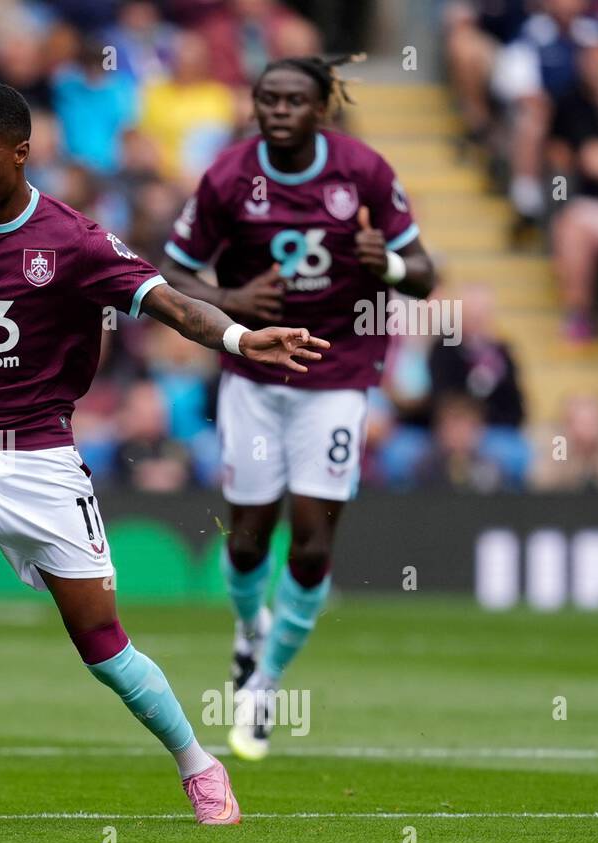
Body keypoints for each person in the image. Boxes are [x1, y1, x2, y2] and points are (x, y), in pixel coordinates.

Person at [0, 82, 329, 825]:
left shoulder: (74, 240)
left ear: (21, 153)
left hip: (43, 460)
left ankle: (196, 764)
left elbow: (171, 304)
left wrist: (241, 339)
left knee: (104, 647)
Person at [161, 56, 437, 760]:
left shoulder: (363, 171)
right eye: (267, 99)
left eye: (294, 100)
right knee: (249, 538)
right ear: (255, 106)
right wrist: (232, 303)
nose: (278, 110)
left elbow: (425, 275)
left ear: (322, 109)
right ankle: (249, 630)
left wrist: (389, 267)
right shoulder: (227, 176)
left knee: (312, 539)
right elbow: (171, 271)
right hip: (254, 373)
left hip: (337, 374)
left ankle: (265, 680)